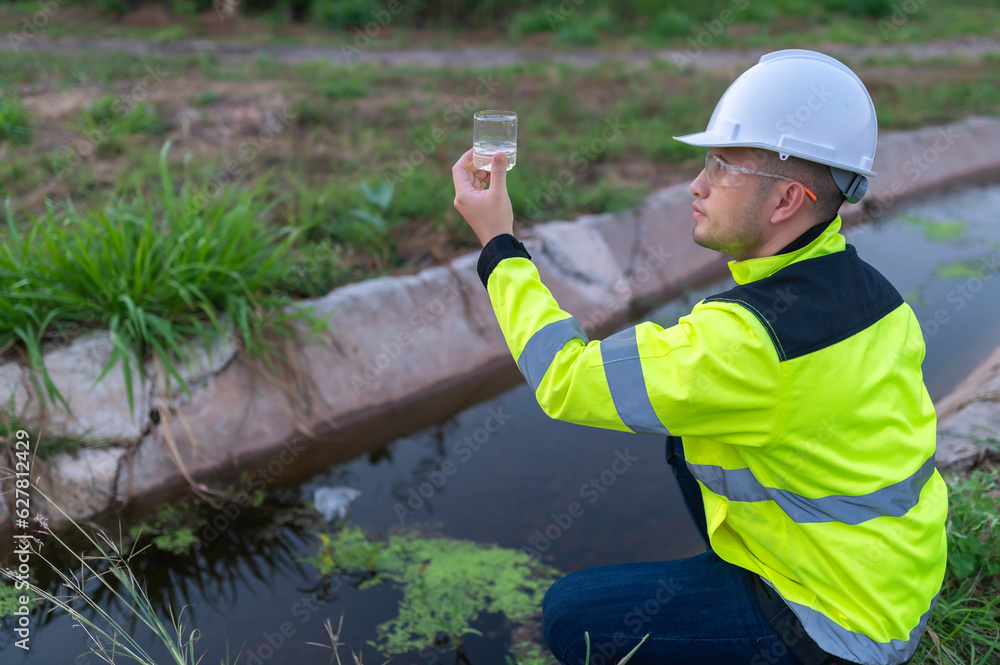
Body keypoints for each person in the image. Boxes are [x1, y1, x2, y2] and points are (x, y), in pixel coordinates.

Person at [450, 49, 946, 665]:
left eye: (721, 165)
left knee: (573, 615)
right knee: (684, 435)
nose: (696, 184)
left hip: (837, 630)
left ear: (786, 200)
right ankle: (729, 574)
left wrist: (498, 243)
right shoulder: (875, 293)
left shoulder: (748, 341)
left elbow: (565, 378)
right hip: (894, 585)